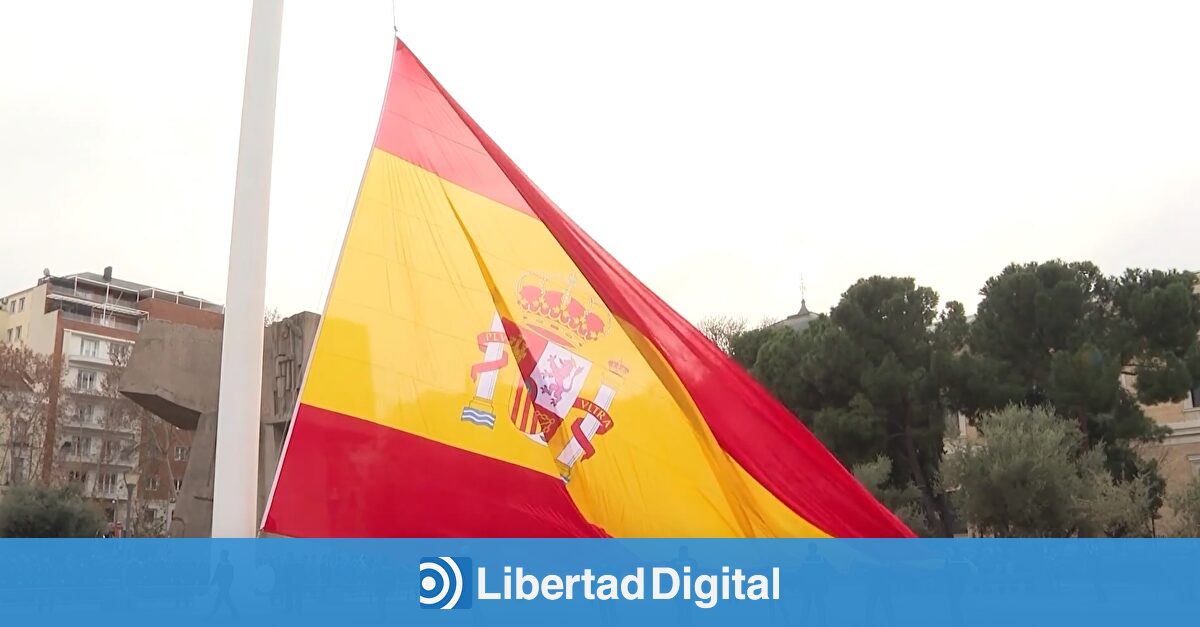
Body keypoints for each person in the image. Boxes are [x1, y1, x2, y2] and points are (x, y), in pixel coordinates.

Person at [209, 550, 238, 619]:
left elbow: (230, 578)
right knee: (227, 601)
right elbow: (216, 576)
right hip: (221, 587)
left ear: (225, 556)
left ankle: (210, 616)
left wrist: (226, 588)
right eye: (221, 555)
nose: (221, 556)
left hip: (224, 587)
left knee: (218, 601)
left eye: (222, 555)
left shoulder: (230, 566)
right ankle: (236, 615)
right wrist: (211, 584)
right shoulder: (219, 565)